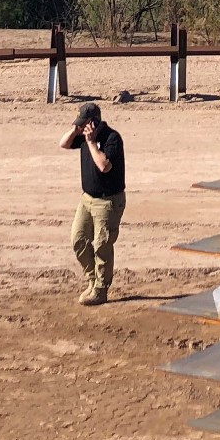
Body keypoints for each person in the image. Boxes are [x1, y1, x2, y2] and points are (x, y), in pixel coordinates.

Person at [59, 102, 125, 305]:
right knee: (78, 239)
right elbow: (63, 143)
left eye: (84, 124)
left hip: (108, 201)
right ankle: (92, 278)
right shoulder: (82, 136)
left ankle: (100, 289)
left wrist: (91, 143)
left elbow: (104, 166)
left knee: (102, 246)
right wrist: (75, 129)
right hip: (87, 199)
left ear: (95, 122)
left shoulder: (112, 138)